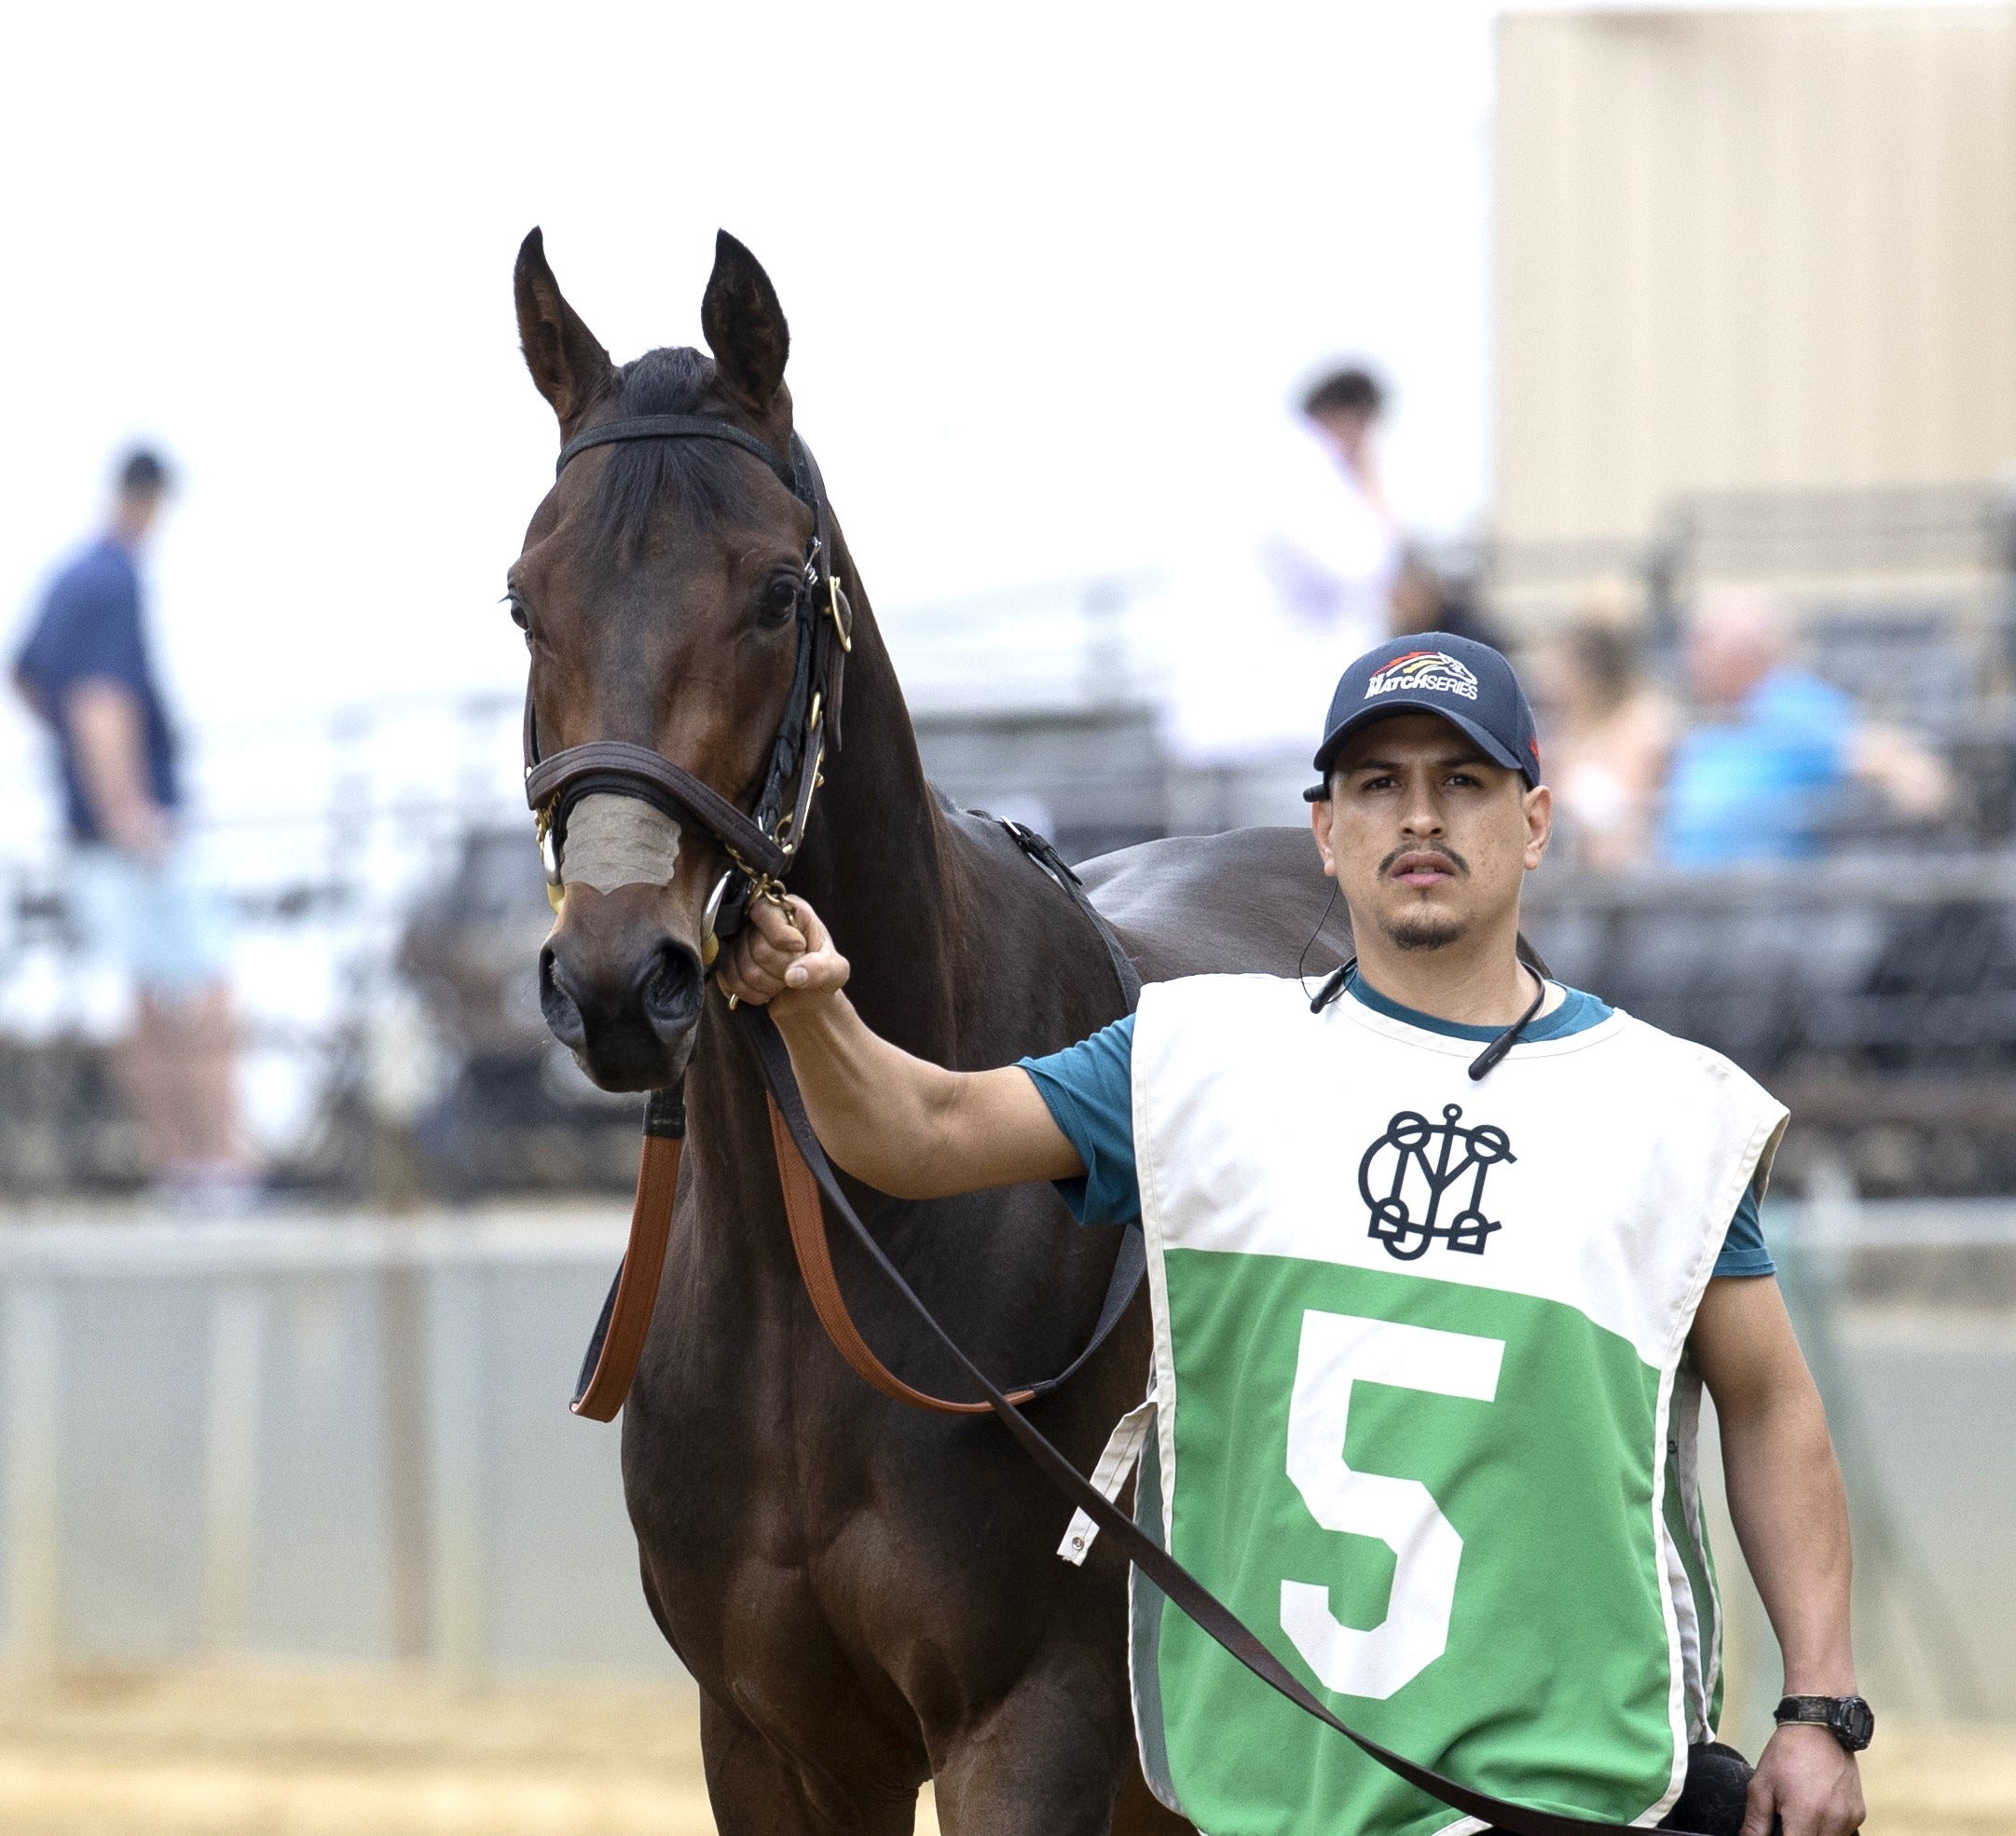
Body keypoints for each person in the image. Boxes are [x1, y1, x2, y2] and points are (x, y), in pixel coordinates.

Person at [730, 632, 1870, 1836]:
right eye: (1378, 784)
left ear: (1535, 820)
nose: (1418, 815)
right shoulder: (1189, 1055)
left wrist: (1819, 1703)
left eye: (1463, 782)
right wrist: (813, 1008)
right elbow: (921, 1131)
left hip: (1569, 1792)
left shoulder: (1673, 1106)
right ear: (1324, 831)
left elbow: (1771, 1403)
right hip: (1263, 1798)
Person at [11, 448, 252, 1204]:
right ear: (151, 502)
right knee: (205, 987)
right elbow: (98, 700)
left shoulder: (67, 578)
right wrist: (124, 806)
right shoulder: (112, 580)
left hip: (92, 828)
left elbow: (26, 676)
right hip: (133, 830)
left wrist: (83, 780)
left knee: (147, 996)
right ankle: (218, 1172)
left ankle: (177, 1168)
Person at [1162, 364, 1401, 831]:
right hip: (1277, 736)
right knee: (1292, 894)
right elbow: (1368, 561)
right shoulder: (1307, 467)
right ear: (1355, 419)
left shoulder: (1244, 460)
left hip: (1211, 731)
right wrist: (1370, 479)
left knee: (1199, 895)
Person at [1661, 587, 1949, 865]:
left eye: (1702, 642)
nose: (1689, 659)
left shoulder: (1788, 701)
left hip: (1762, 896)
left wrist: (1915, 781)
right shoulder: (1714, 718)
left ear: (1742, 652)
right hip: (1687, 891)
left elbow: (1889, 759)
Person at [1542, 618, 1676, 869]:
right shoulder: (1568, 725)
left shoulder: (1644, 718)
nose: (1554, 680)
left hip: (1632, 863)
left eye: (1565, 668)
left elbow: (1625, 809)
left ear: (1591, 672)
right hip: (1577, 862)